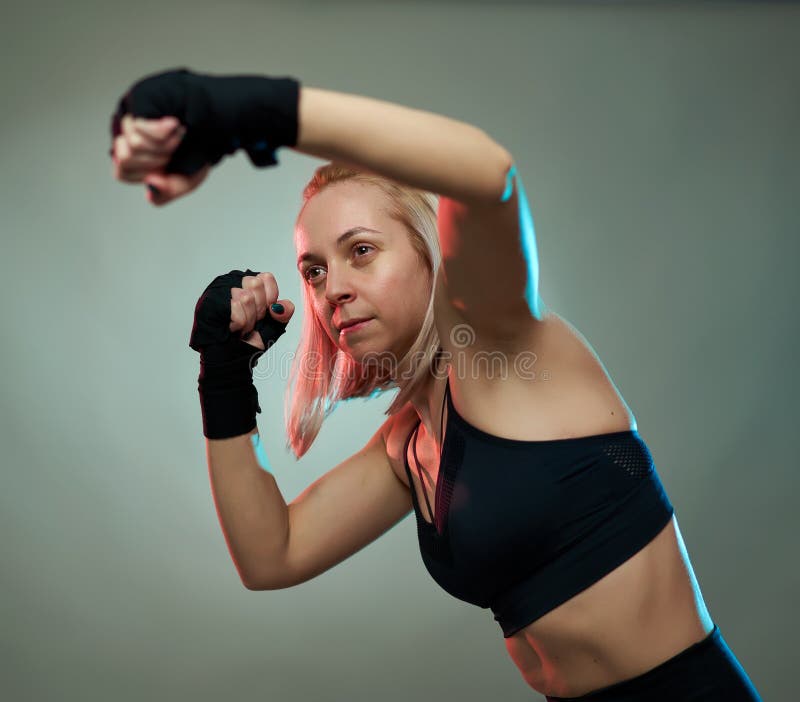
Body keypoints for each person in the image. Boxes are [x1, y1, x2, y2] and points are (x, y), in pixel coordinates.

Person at [109, 68, 763, 701]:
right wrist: (222, 374)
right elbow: (270, 556)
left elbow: (488, 174)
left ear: (429, 252)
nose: (332, 287)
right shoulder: (407, 444)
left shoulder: (502, 346)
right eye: (313, 270)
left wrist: (244, 109)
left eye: (361, 250)